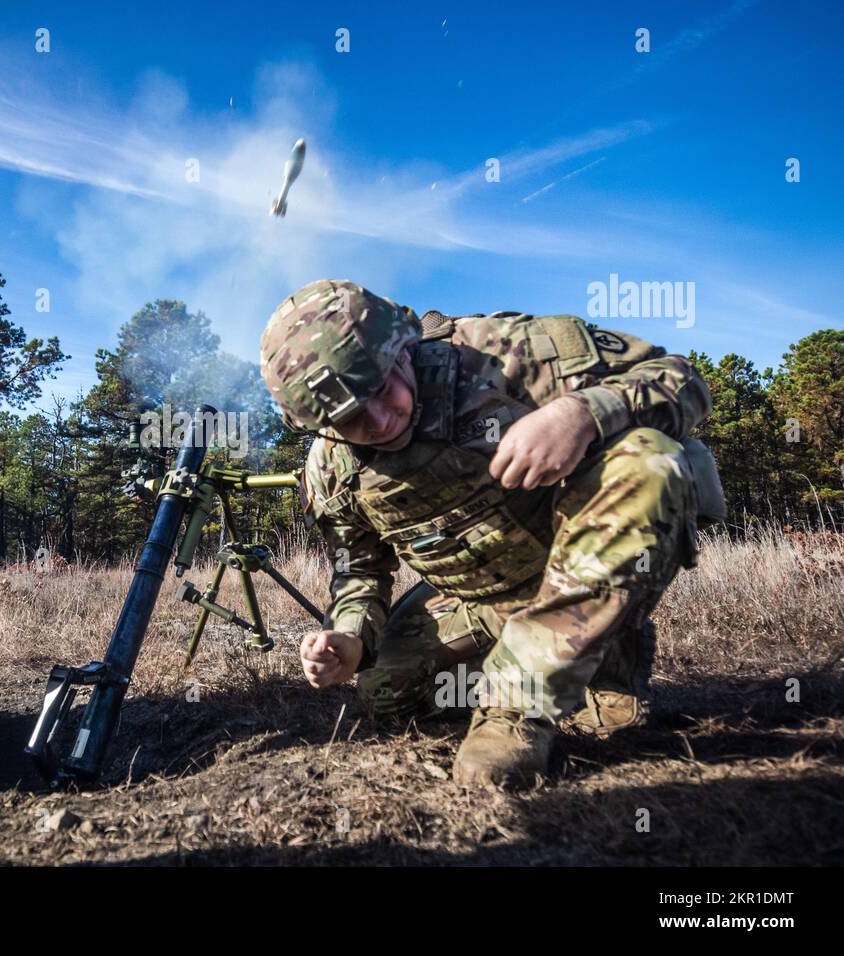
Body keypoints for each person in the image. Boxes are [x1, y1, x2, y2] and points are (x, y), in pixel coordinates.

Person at [260, 279, 717, 788]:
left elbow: (683, 379)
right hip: (481, 600)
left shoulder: (505, 356)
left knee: (647, 459)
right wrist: (348, 634)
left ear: (403, 350)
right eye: (348, 419)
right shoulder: (332, 469)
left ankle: (517, 708)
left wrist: (583, 413)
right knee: (385, 691)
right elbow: (360, 570)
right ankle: (584, 656)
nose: (380, 420)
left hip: (568, 568)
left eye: (381, 389)